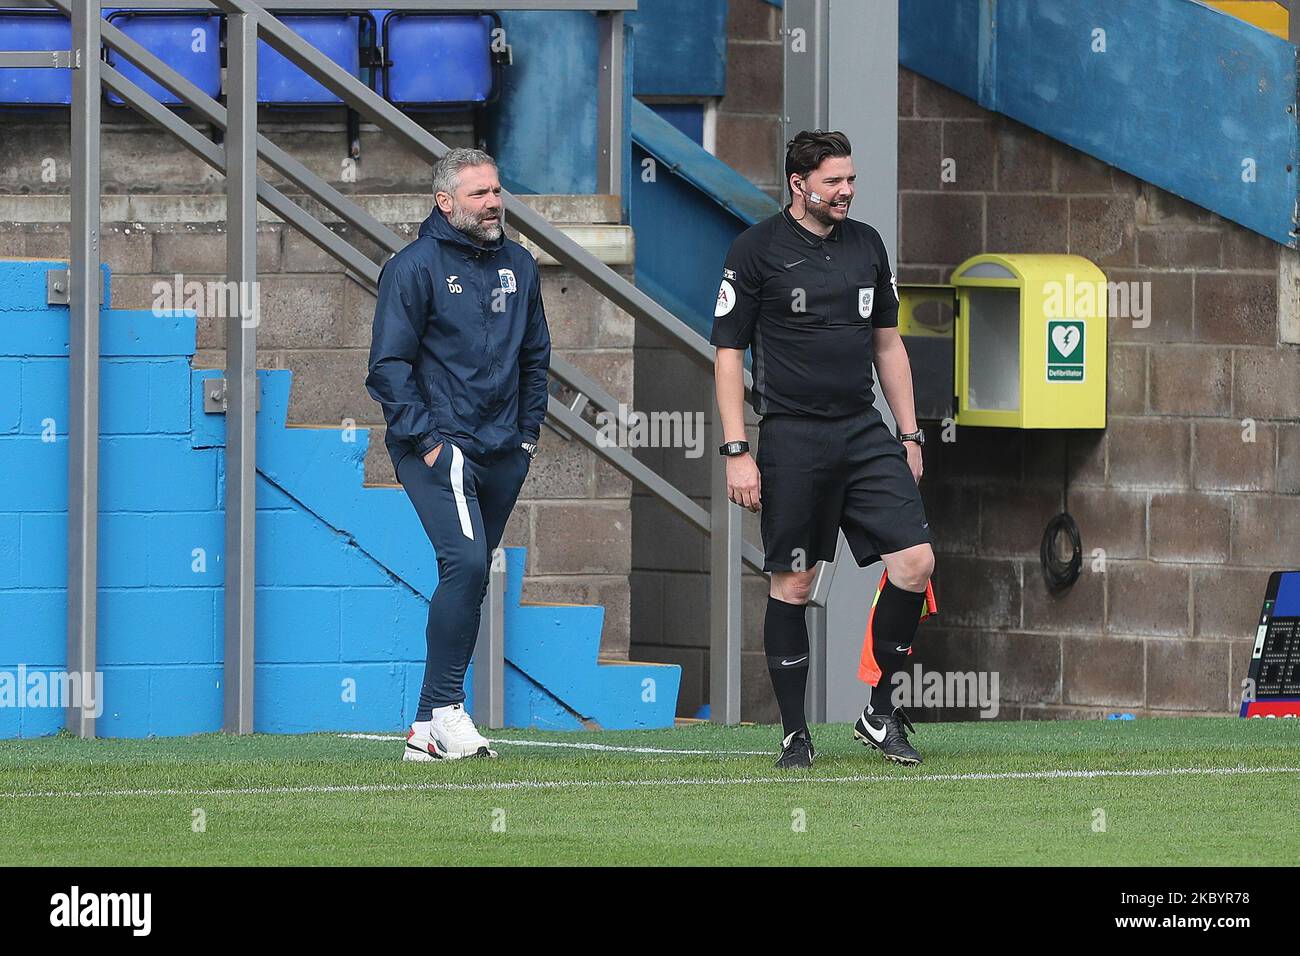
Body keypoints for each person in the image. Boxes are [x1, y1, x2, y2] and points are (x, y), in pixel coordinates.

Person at [710, 130, 935, 768]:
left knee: (915, 562)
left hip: (862, 432)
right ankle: (793, 732)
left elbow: (888, 345)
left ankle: (879, 711)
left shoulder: (867, 245)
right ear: (799, 184)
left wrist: (910, 431)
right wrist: (736, 448)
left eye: (851, 180)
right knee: (796, 581)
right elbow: (728, 353)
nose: (846, 192)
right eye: (834, 181)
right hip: (791, 436)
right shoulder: (755, 250)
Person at [366, 147, 550, 761]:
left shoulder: (520, 265)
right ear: (446, 202)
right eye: (479, 194)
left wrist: (527, 436)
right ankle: (447, 709)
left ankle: (424, 729)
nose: (494, 202)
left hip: (506, 448)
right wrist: (428, 443)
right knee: (468, 567)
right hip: (440, 449)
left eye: (497, 190)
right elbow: (387, 367)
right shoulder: (412, 268)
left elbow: (535, 358)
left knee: (469, 577)